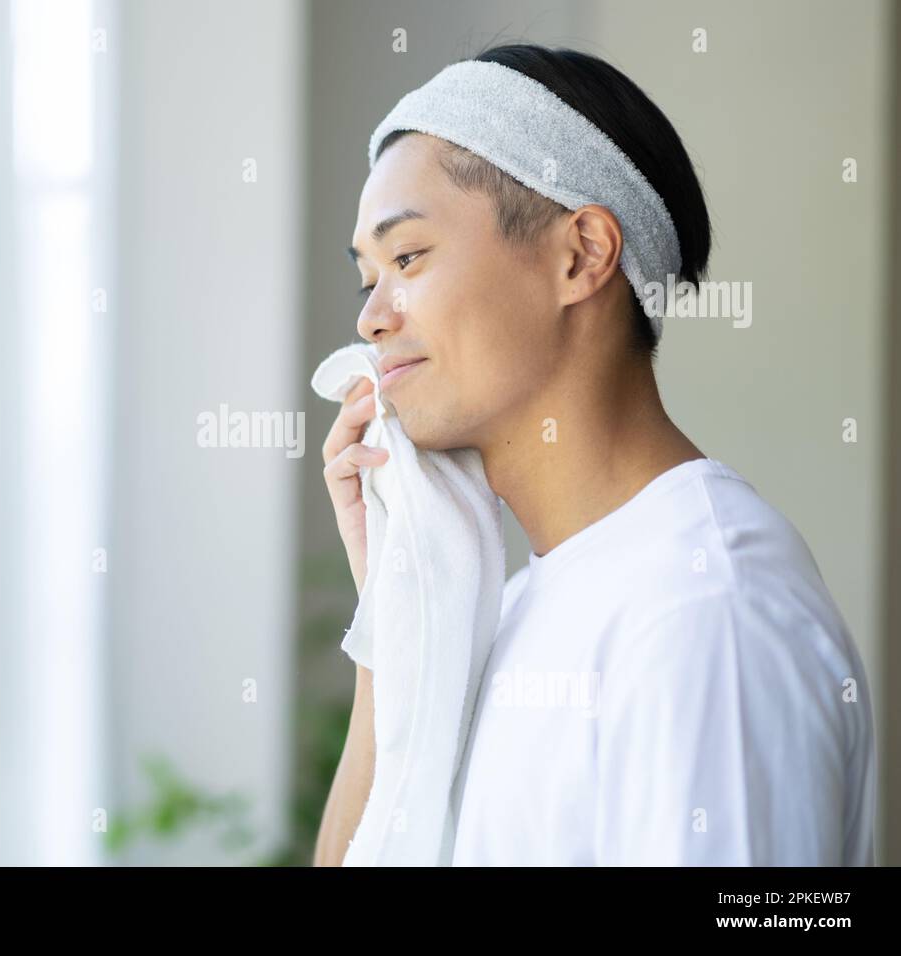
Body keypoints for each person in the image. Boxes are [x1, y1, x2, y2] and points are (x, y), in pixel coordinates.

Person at [314, 43, 876, 866]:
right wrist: (395, 619)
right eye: (368, 278)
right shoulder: (511, 609)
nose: (371, 319)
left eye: (407, 258)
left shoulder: (706, 613)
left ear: (581, 255)